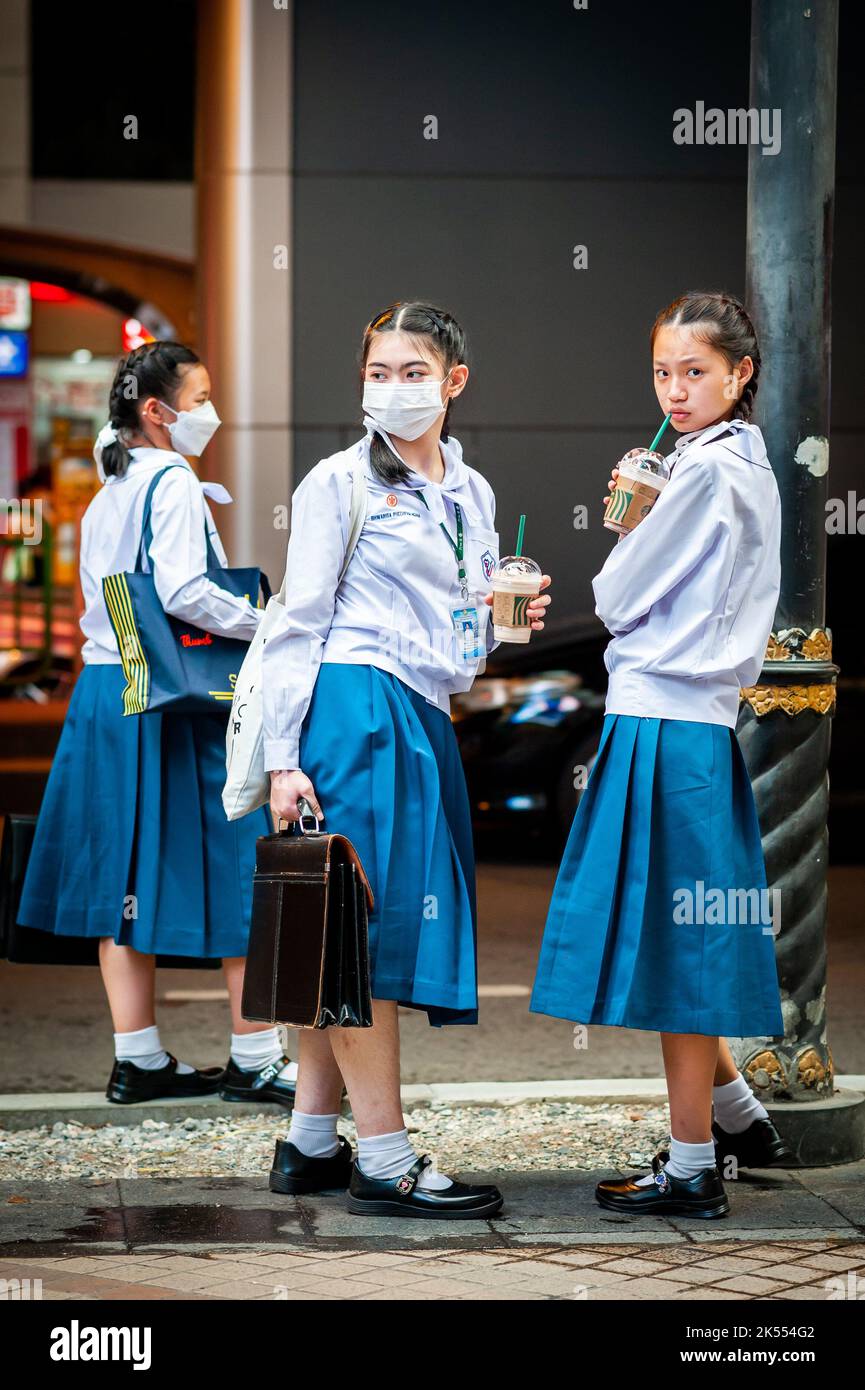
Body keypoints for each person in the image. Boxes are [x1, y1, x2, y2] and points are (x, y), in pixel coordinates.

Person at [262, 301, 552, 1218]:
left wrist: (509, 623)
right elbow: (294, 626)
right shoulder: (334, 483)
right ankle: (383, 1159)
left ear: (453, 381)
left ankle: (310, 1141)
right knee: (364, 935)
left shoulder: (472, 491)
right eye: (377, 374)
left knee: (331, 928)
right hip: (354, 707)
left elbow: (461, 647)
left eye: (411, 373)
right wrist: (281, 758)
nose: (391, 390)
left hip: (423, 712)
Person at [530, 291, 791, 1219]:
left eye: (695, 372)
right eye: (662, 373)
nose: (675, 391)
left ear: (739, 373)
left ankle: (690, 1168)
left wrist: (630, 519)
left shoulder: (702, 473)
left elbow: (614, 594)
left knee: (678, 952)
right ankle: (735, 1119)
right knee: (684, 939)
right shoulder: (736, 462)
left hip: (664, 720)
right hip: (692, 722)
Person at [17, 342, 297, 1109]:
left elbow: (109, 600)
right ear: (157, 410)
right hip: (177, 700)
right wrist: (262, 621)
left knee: (121, 874)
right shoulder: (171, 479)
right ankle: (255, 1055)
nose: (210, 411)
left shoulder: (112, 486)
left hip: (109, 691)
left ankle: (137, 1057)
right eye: (199, 396)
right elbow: (183, 592)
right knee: (237, 856)